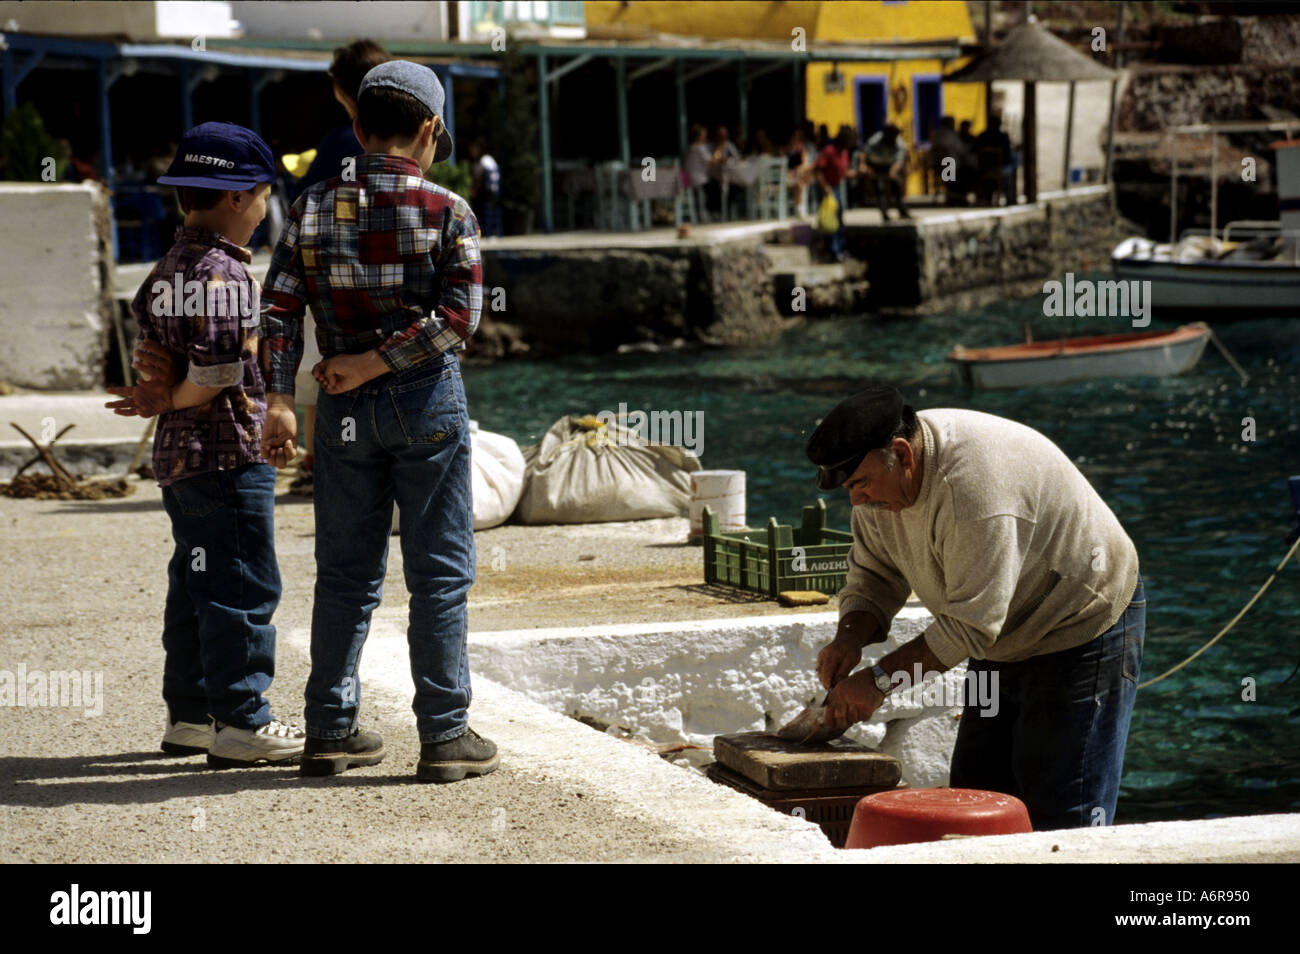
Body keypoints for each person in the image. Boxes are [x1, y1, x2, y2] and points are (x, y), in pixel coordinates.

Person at [260, 61, 496, 782]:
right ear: (430, 130)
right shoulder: (450, 209)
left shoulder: (308, 204)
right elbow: (460, 319)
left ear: (357, 129)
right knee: (439, 574)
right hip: (424, 404)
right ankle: (445, 734)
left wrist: (276, 397)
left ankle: (330, 730)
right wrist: (380, 362)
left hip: (340, 411)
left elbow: (276, 308)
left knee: (345, 575)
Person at [805, 386, 1144, 831]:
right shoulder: (878, 484)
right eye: (849, 487)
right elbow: (873, 576)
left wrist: (878, 682)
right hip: (1001, 635)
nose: (856, 500)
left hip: (1079, 626)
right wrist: (848, 637)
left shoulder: (975, 495)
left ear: (903, 454)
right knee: (976, 802)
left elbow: (968, 629)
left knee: (1063, 816)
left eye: (861, 484)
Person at [104, 122, 305, 768]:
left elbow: (151, 345)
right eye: (266, 195)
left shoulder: (166, 268)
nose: (268, 208)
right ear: (239, 198)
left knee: (194, 582)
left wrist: (155, 392)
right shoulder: (224, 274)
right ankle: (243, 718)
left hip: (179, 462)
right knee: (242, 584)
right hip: (225, 454)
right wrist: (167, 397)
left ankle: (190, 714)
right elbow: (217, 371)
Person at [285, 40, 391, 497]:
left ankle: (318, 463)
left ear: (339, 86)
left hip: (333, 276)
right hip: (386, 276)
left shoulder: (341, 140)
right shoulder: (391, 140)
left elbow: (307, 205)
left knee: (320, 370)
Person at [815, 125, 856, 261]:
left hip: (837, 188)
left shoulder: (844, 154)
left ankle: (840, 249)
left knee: (839, 220)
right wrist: (826, 189)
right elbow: (818, 170)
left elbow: (844, 172)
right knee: (832, 221)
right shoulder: (829, 151)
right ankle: (834, 250)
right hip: (828, 189)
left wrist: (859, 173)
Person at [861, 123, 910, 221]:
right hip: (874, 164)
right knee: (879, 189)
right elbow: (864, 153)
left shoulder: (898, 143)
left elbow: (898, 161)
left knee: (897, 185)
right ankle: (884, 213)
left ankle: (902, 211)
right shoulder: (875, 140)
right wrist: (863, 165)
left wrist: (893, 171)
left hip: (888, 165)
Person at [973, 114, 1017, 205]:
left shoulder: (982, 136)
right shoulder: (1003, 137)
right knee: (1013, 165)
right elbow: (1007, 154)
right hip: (999, 168)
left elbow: (973, 150)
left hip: (984, 169)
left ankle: (986, 196)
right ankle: (1010, 198)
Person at [468, 136, 502, 238]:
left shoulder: (482, 162)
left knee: (474, 203)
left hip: (488, 194)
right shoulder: (490, 159)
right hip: (494, 192)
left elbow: (481, 180)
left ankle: (480, 230)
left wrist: (473, 190)